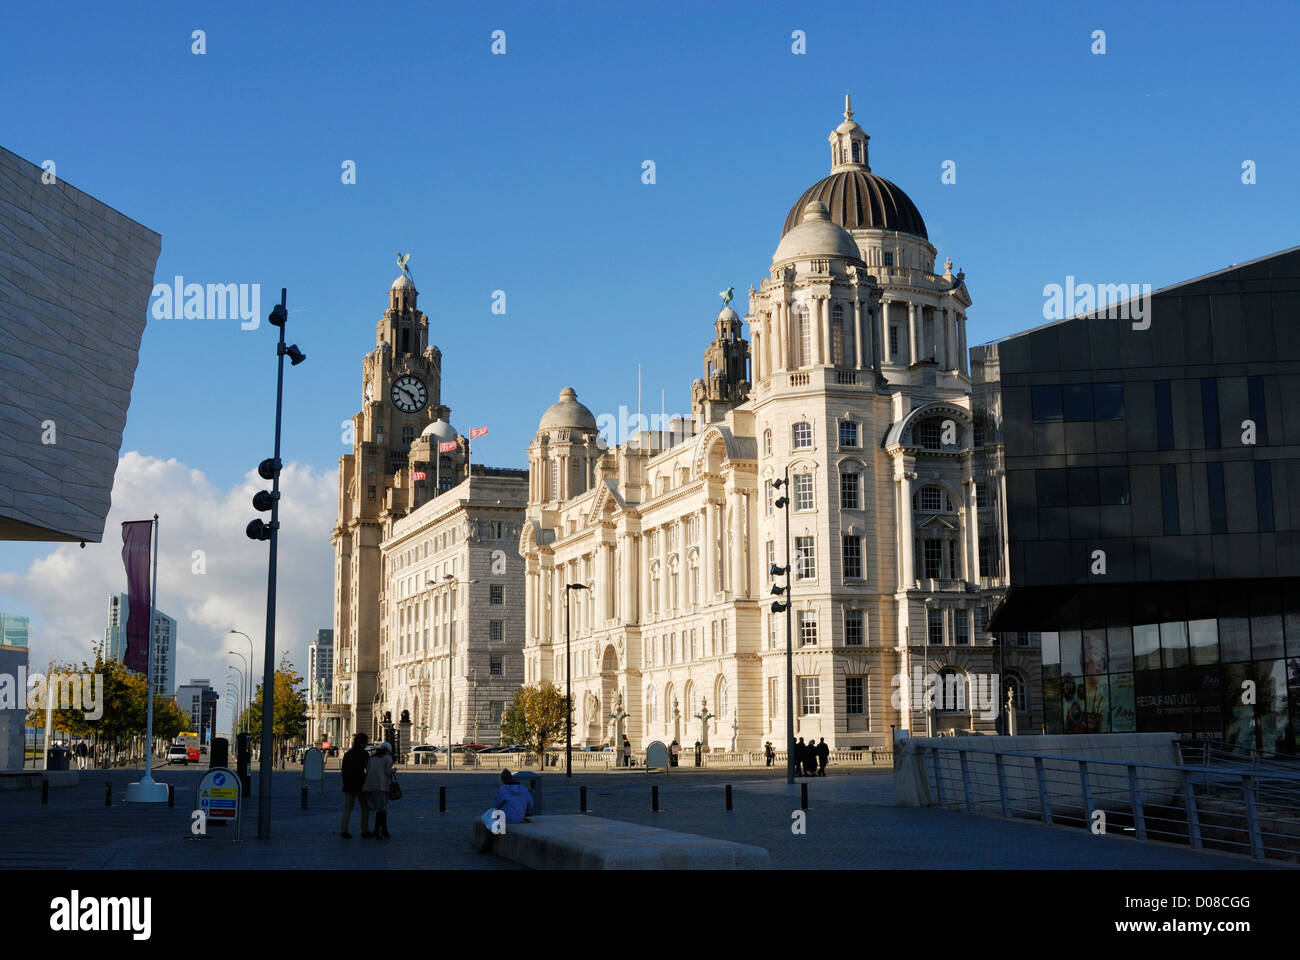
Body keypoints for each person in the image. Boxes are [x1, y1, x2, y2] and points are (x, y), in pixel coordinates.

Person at [361, 741, 395, 839]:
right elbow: (388, 772)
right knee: (382, 809)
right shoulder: (387, 758)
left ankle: (383, 830)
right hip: (382, 786)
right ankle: (378, 831)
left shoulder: (372, 758)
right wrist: (394, 770)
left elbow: (367, 770)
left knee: (379, 808)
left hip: (370, 786)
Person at [340, 733, 369, 839]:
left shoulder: (348, 753)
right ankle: (364, 830)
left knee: (348, 807)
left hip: (348, 784)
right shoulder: (364, 754)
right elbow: (368, 769)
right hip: (360, 784)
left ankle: (344, 829)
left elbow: (343, 770)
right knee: (365, 807)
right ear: (363, 742)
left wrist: (345, 782)